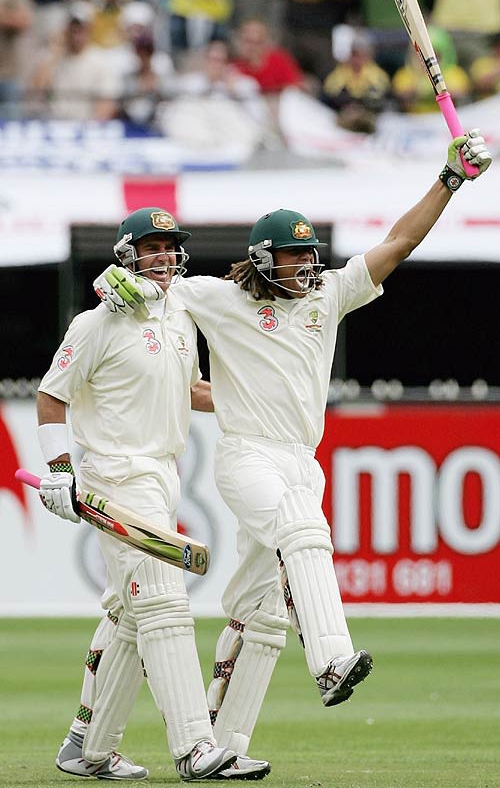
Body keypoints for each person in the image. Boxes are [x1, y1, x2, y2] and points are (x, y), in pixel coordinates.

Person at [90, 127, 492, 768]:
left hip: (301, 461)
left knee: (264, 613)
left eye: (310, 258)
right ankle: (332, 659)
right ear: (261, 259)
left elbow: (399, 242)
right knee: (304, 532)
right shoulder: (218, 298)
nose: (306, 269)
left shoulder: (328, 295)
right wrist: (118, 285)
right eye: (292, 259)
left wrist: (450, 179)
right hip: (247, 456)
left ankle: (221, 749)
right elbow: (149, 279)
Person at [35, 209, 255, 781]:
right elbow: (50, 397)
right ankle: (194, 747)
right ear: (126, 254)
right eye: (152, 249)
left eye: (170, 248)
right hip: (113, 474)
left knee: (130, 615)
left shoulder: (181, 315)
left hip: (162, 473)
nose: (164, 258)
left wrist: (253, 403)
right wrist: (59, 470)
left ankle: (87, 747)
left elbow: (193, 392)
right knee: (162, 601)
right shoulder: (95, 323)